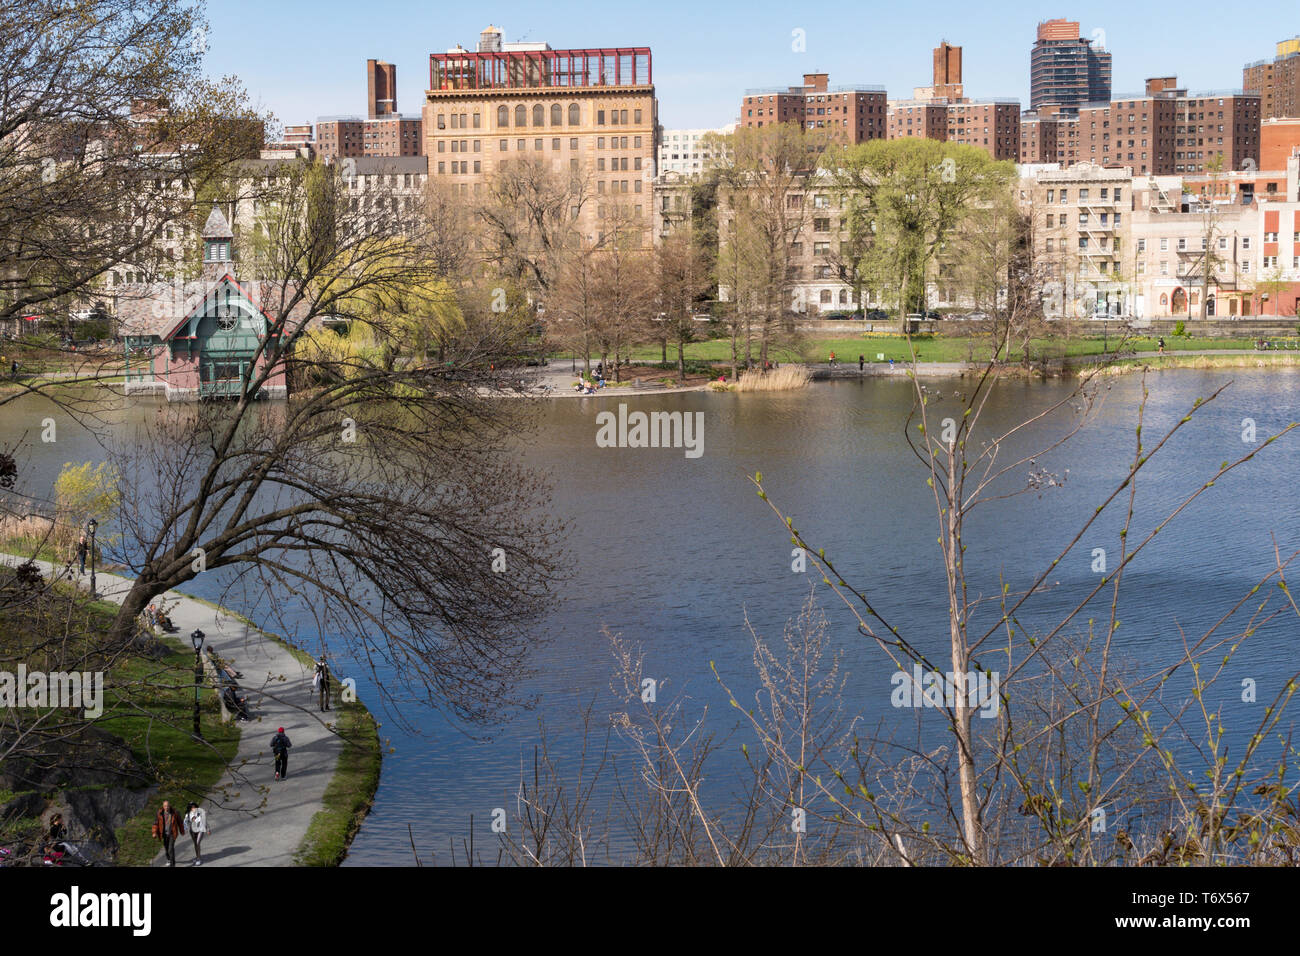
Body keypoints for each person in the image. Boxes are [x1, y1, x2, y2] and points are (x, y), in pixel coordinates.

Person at [153, 800, 184, 866]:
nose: (166, 807)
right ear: (163, 806)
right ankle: (169, 859)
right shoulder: (159, 813)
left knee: (170, 849)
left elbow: (180, 822)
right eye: (165, 806)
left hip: (172, 833)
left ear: (169, 806)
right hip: (164, 834)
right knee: (166, 849)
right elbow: (155, 823)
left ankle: (172, 864)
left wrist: (182, 831)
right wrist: (154, 832)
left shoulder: (175, 812)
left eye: (167, 806)